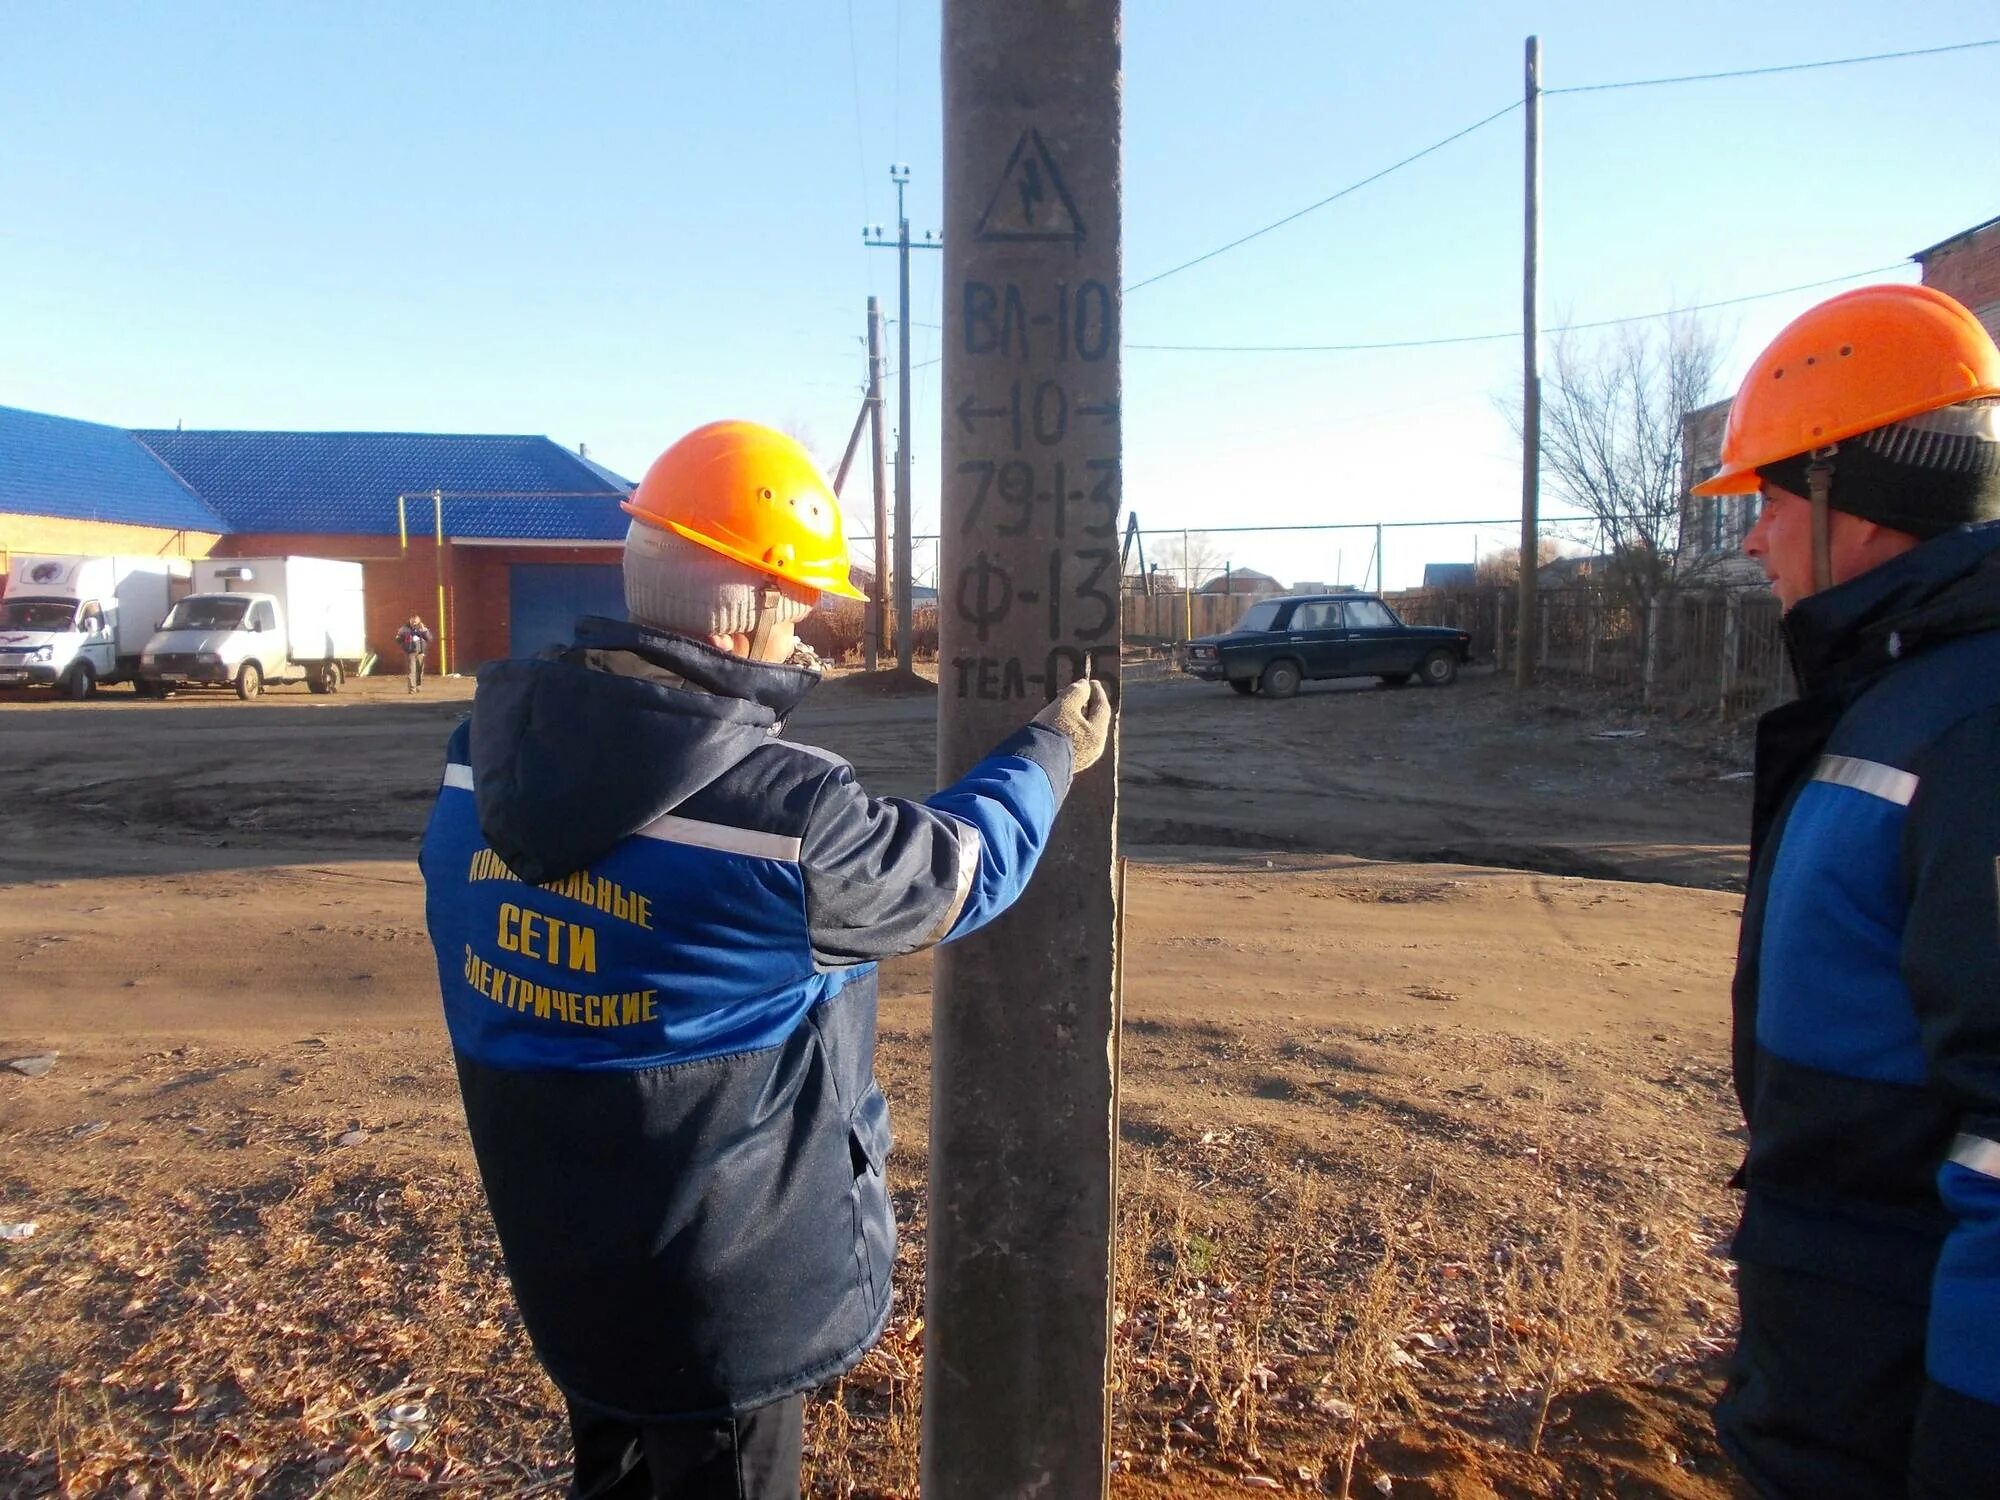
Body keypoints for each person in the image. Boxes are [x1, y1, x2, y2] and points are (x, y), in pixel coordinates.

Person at [418, 419, 1112, 1498]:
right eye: (793, 619)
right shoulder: (782, 821)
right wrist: (1048, 751)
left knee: (613, 1468)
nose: (801, 648)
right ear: (742, 618)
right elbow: (951, 873)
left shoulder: (478, 771)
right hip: (725, 1293)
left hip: (567, 1264)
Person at [1690, 283, 2000, 1499]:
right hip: (1841, 1379)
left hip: (1894, 1414)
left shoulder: (1970, 724)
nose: (1753, 538)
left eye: (1764, 501)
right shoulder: (1901, 695)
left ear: (1841, 493)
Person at [398, 615, 434, 693]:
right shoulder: (404, 629)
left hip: (420, 653)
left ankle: (418, 686)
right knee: (411, 671)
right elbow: (398, 639)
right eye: (413, 621)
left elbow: (429, 639)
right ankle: (412, 689)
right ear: (410, 620)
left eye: (416, 621)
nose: (414, 623)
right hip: (410, 653)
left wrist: (424, 630)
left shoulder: (422, 628)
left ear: (419, 621)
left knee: (419, 671)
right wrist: (405, 646)